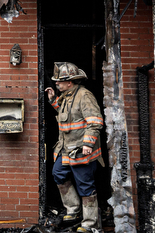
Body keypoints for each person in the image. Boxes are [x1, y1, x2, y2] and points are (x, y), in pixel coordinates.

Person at [44, 62, 104, 233]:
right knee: (58, 173)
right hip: (65, 148)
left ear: (69, 82)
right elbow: (66, 116)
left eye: (59, 81)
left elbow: (95, 122)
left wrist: (87, 144)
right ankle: (73, 210)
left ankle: (89, 223)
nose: (56, 84)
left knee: (85, 184)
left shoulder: (84, 96)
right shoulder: (67, 95)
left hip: (80, 150)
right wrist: (53, 100)